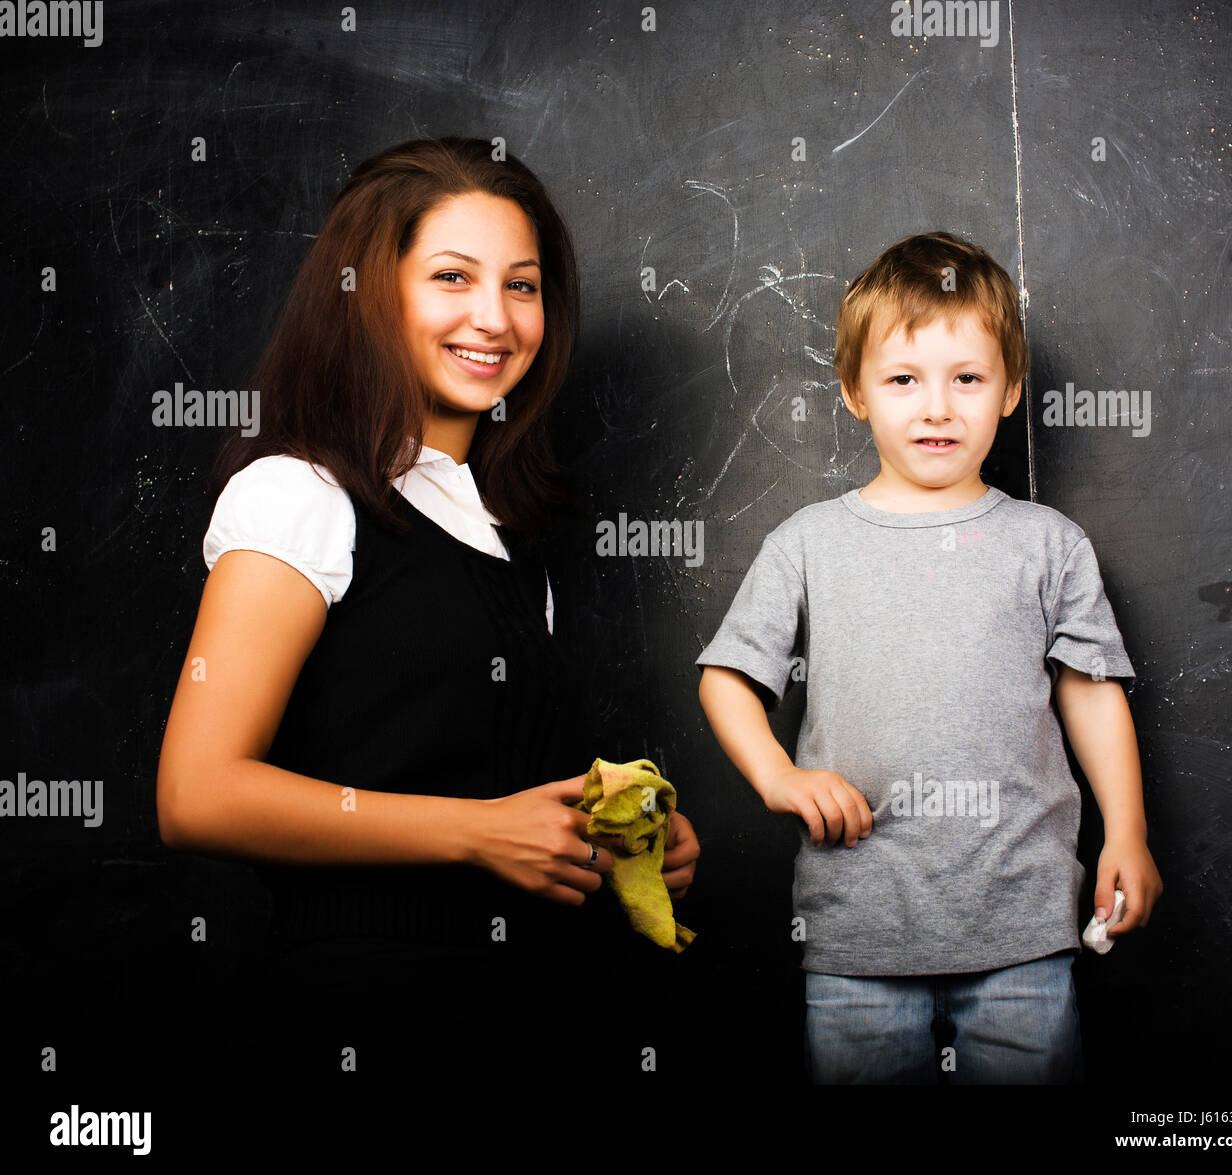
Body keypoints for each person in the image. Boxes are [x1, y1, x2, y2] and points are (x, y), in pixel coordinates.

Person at [155, 138, 699, 1058]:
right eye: (453, 277)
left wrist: (619, 840)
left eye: (521, 286)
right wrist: (476, 833)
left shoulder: (508, 533)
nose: (495, 318)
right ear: (369, 292)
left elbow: (501, 791)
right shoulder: (299, 494)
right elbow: (197, 794)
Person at [696, 231, 1161, 1084]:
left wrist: (1126, 829)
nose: (937, 407)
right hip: (856, 934)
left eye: (968, 379)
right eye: (904, 379)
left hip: (1023, 924)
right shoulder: (808, 544)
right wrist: (779, 777)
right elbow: (728, 675)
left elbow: (1091, 696)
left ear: (1011, 390)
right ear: (855, 392)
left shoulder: (1049, 544)